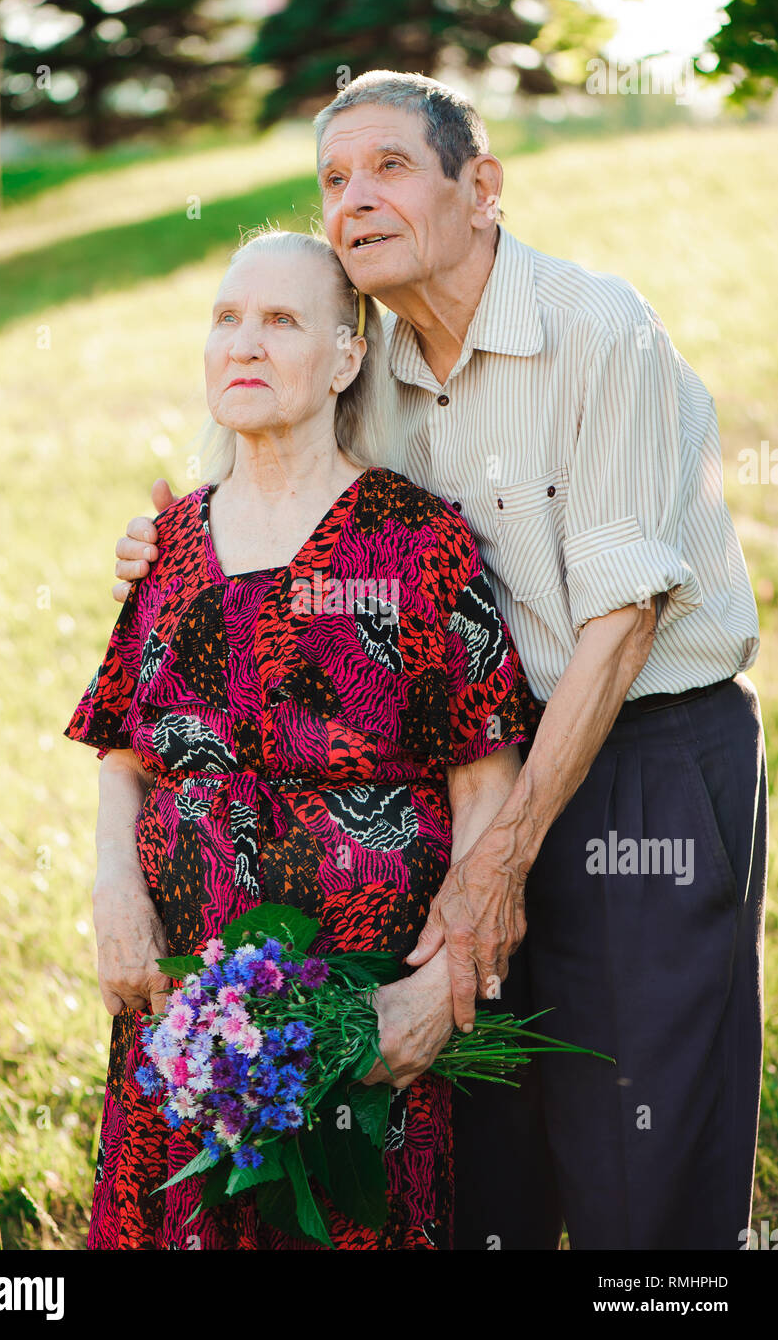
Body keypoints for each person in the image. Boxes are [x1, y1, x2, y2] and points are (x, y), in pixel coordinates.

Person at [114, 72, 767, 1251]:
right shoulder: (377, 376)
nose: (353, 199)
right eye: (332, 180)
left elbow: (621, 620)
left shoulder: (596, 329)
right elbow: (288, 495)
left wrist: (501, 859)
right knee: (479, 1154)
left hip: (639, 759)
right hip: (463, 779)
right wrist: (163, 545)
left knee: (642, 1159)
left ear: (483, 188)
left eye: (388, 167)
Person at [65, 226, 533, 1249]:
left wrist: (438, 989)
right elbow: (122, 750)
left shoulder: (418, 538)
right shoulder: (170, 544)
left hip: (361, 1024)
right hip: (186, 1005)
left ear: (346, 356)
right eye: (226, 318)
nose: (244, 343)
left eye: (280, 321)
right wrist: (114, 892)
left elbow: (484, 776)